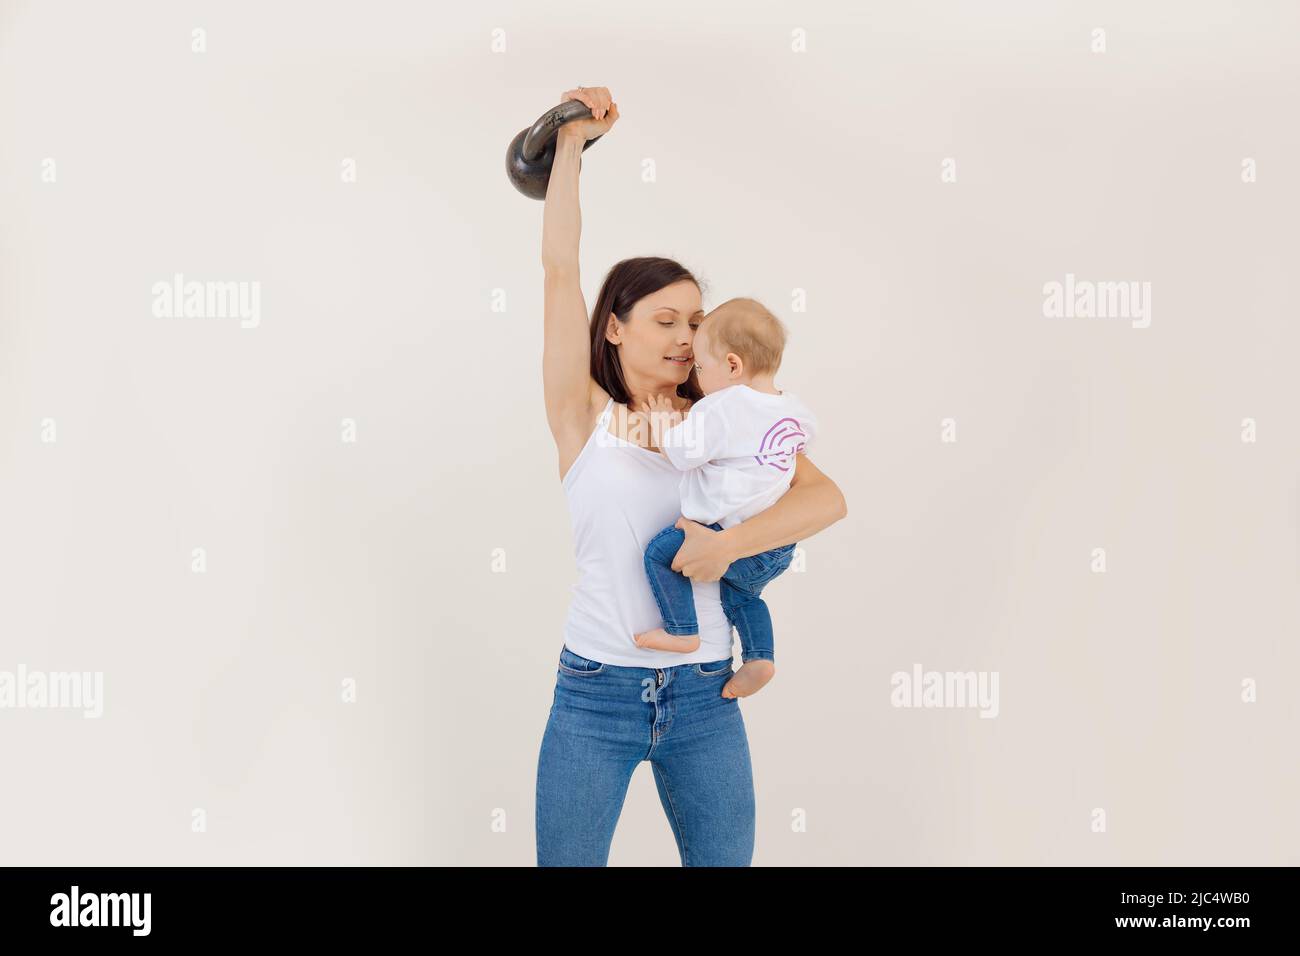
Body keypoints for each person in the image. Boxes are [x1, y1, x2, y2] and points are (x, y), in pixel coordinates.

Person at [534, 85, 848, 866]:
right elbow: (558, 269)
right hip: (594, 692)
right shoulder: (584, 413)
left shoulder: (729, 420)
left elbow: (825, 499)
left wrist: (729, 544)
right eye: (664, 320)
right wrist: (571, 144)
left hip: (708, 694)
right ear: (615, 325)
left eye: (697, 324)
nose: (684, 338)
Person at [632, 297, 818, 700]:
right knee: (742, 595)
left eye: (700, 366)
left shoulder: (723, 406)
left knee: (659, 555)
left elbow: (684, 454)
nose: (696, 375)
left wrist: (664, 424)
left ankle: (682, 632)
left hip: (725, 531)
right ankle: (759, 657)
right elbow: (804, 442)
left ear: (732, 366)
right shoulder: (792, 408)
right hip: (774, 545)